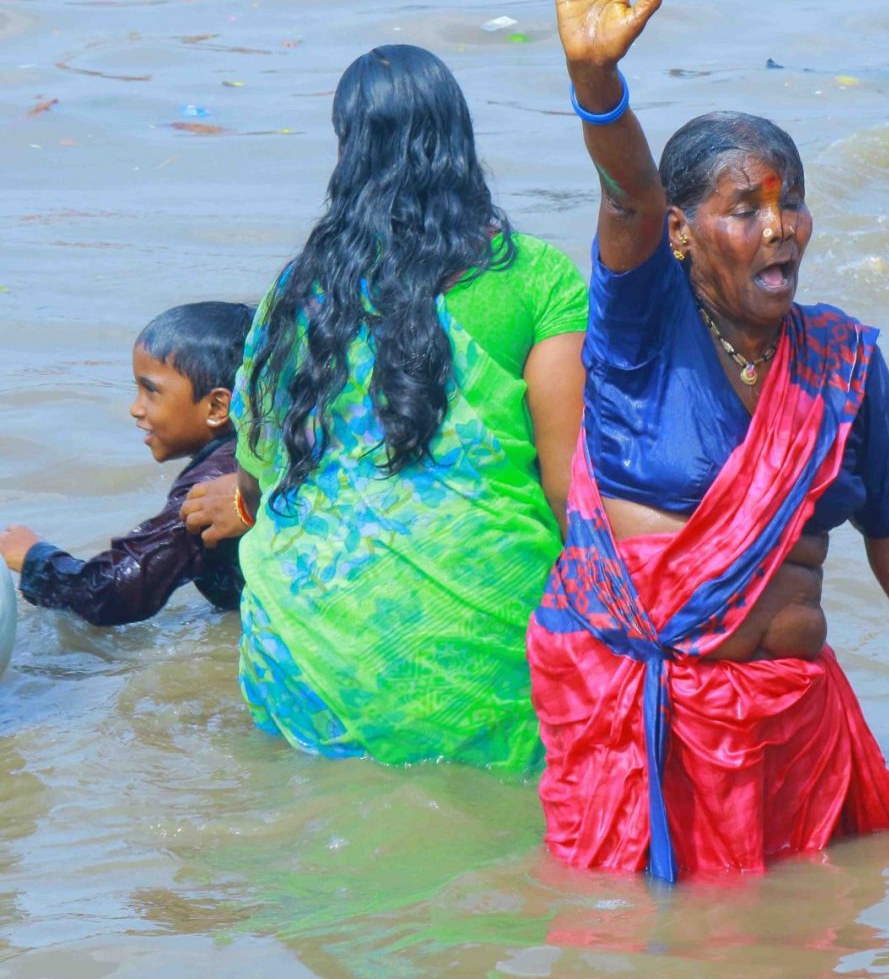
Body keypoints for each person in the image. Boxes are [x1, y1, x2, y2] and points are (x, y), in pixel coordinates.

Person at [528, 0, 889, 882]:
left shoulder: (840, 367)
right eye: (744, 208)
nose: (780, 227)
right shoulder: (640, 330)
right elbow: (627, 188)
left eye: (789, 200)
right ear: (680, 231)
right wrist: (596, 81)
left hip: (793, 730)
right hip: (645, 734)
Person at [182, 45, 588, 774]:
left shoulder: (298, 290)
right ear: (461, 143)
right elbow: (569, 494)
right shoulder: (537, 280)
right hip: (473, 650)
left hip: (300, 651)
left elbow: (256, 477)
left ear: (347, 151)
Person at [1, 302, 251, 626]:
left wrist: (34, 557)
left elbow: (111, 592)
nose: (136, 408)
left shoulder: (212, 492)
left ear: (217, 407)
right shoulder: (264, 454)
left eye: (151, 391)